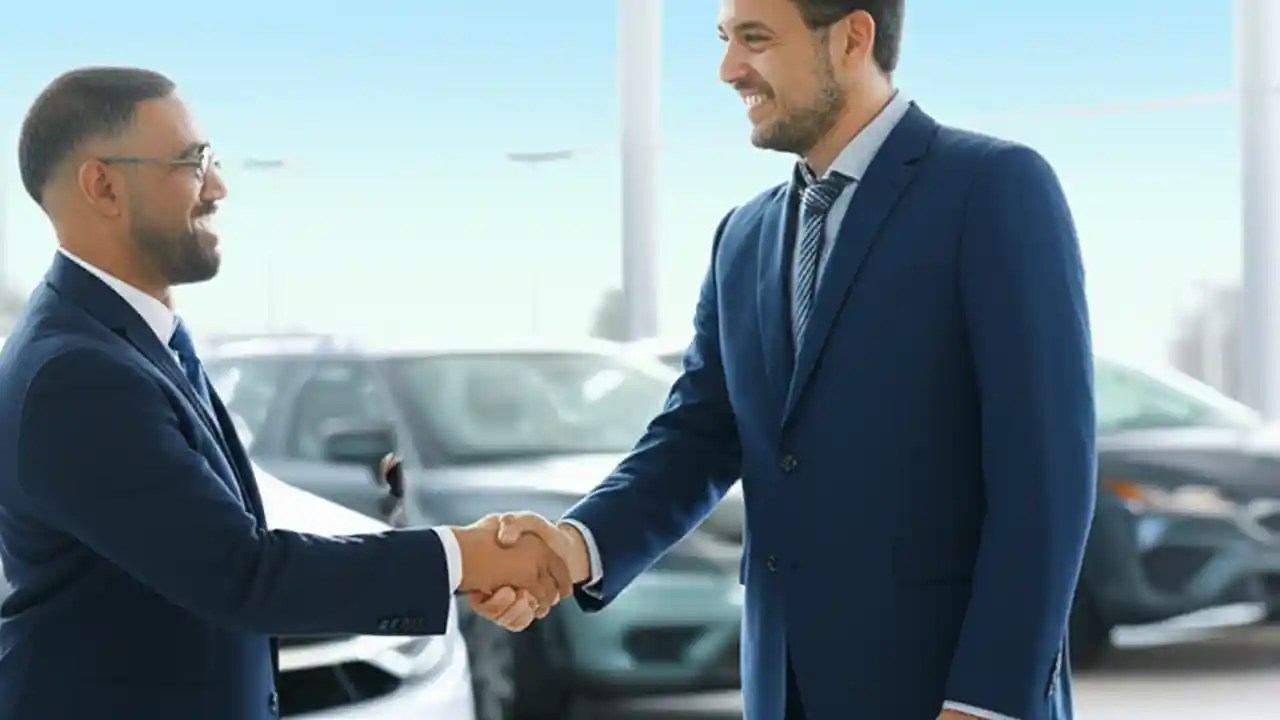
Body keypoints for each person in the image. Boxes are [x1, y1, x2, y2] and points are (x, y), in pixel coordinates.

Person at [474, 1, 1097, 719]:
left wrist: (989, 703)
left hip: (942, 693)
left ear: (852, 38)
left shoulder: (992, 188)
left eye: (756, 39)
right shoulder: (742, 236)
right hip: (782, 691)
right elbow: (696, 438)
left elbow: (1046, 478)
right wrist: (570, 548)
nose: (728, 68)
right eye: (725, 39)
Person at [0, 66, 571, 720]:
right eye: (190, 162)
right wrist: (466, 557)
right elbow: (241, 572)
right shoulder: (76, 374)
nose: (217, 187)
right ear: (103, 185)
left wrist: (463, 563)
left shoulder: (124, 339)